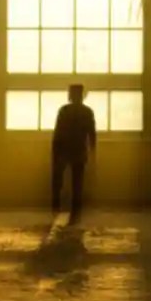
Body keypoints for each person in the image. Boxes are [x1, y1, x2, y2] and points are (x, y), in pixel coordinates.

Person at [51, 83, 96, 223]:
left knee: (58, 180)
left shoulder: (64, 110)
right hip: (78, 150)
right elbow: (92, 133)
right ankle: (75, 211)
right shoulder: (87, 112)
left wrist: (54, 151)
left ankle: (56, 206)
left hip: (64, 150)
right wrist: (92, 150)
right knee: (77, 182)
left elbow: (57, 132)